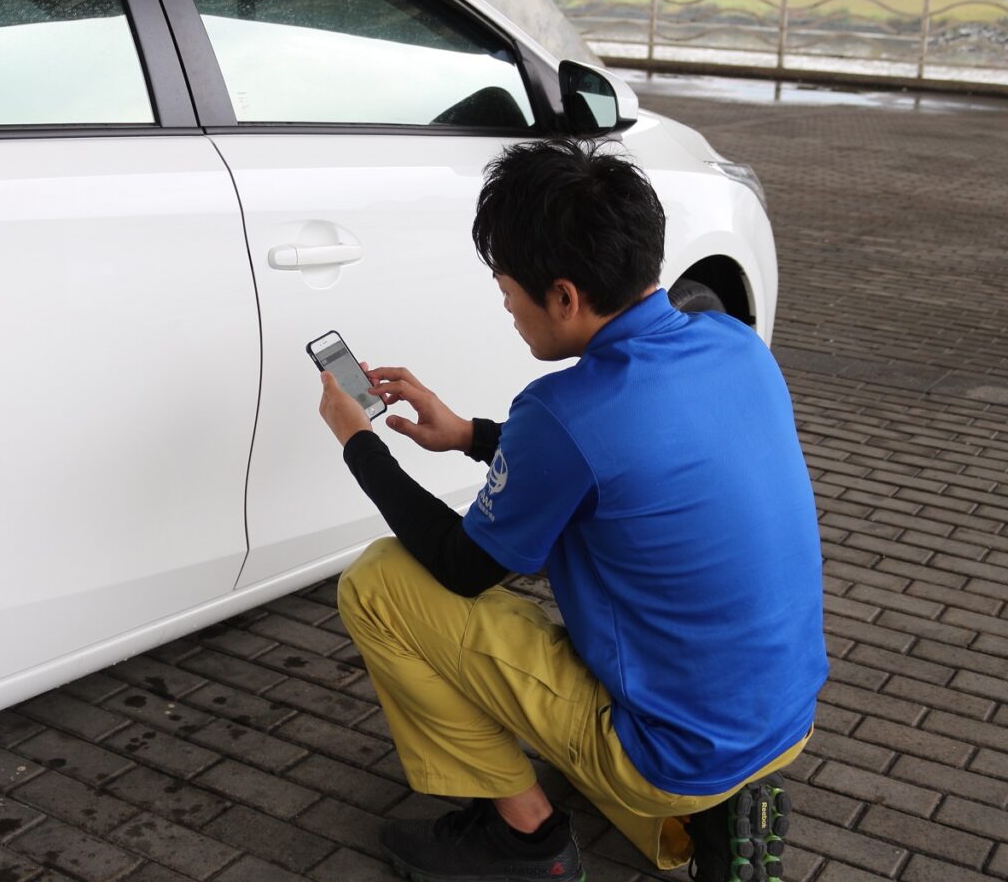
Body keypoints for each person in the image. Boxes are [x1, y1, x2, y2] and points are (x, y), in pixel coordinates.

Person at [314, 138, 827, 882]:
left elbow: (462, 568)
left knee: (380, 584)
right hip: (783, 713)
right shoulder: (730, 342)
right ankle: (717, 817)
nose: (509, 313)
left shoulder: (565, 410)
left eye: (508, 294)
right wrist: (470, 437)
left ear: (563, 296)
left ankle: (525, 841)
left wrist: (359, 444)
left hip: (673, 750)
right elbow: (616, 465)